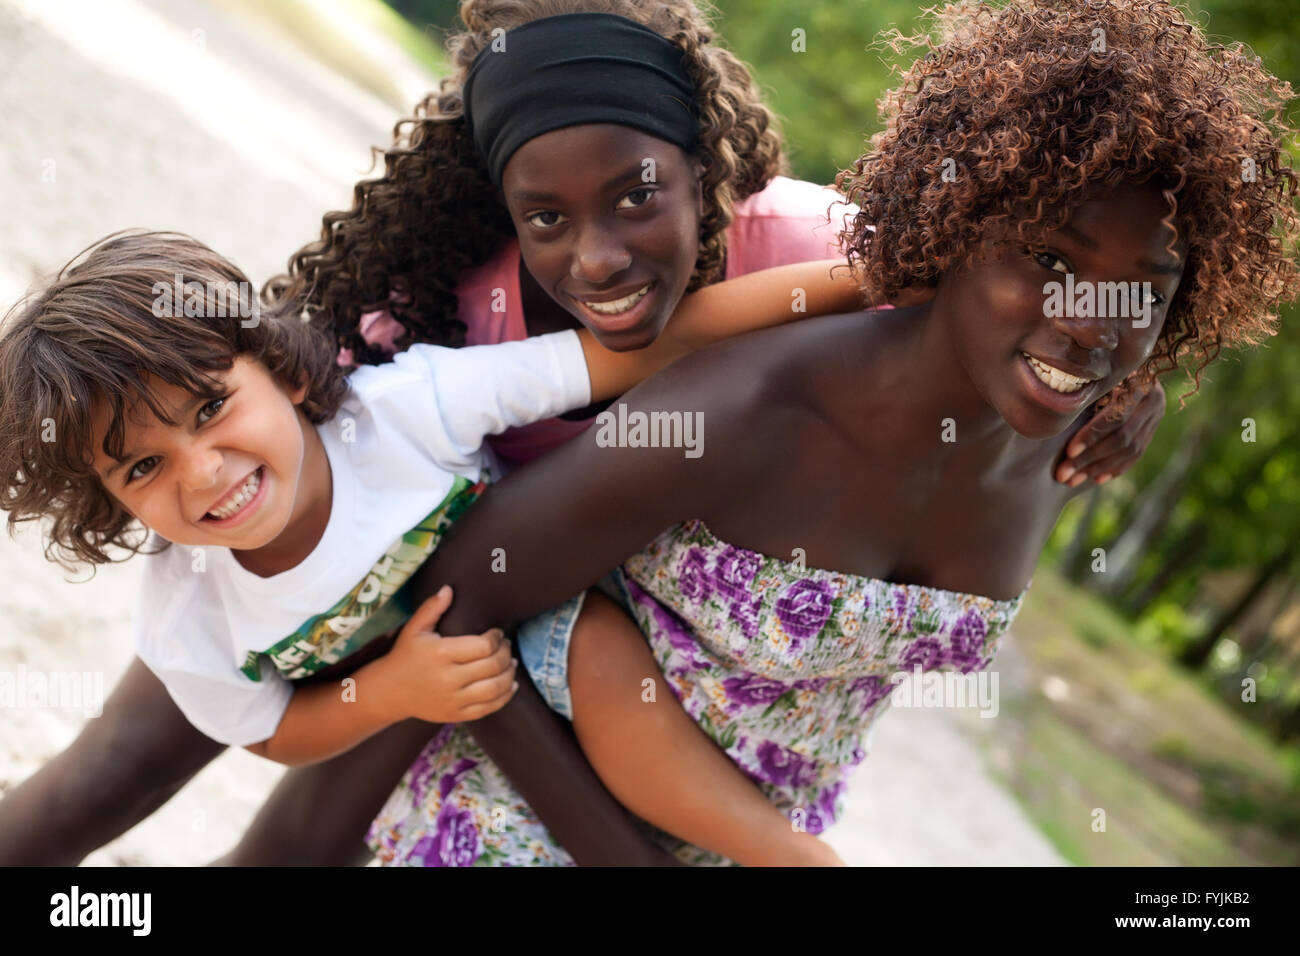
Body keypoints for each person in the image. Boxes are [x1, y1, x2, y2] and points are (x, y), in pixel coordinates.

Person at [0, 0, 1164, 866]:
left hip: (486, 581)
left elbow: (1005, 283)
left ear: (702, 170)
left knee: (343, 795)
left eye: (638, 197)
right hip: (318, 530)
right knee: (112, 771)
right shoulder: (442, 312)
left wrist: (1128, 382)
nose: (597, 257)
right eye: (547, 216)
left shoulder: (812, 247)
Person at [349, 0, 1297, 864]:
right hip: (513, 832)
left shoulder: (1072, 434)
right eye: (1049, 257)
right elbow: (455, 604)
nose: (1094, 320)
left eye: (1145, 287)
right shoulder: (752, 403)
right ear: (957, 222)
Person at [0, 231, 876, 865]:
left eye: (210, 409)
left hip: (544, 638)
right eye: (145, 465)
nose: (202, 472)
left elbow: (624, 357)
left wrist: (853, 280)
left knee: (592, 647)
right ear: (108, 502)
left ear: (282, 368)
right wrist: (386, 690)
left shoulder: (409, 411)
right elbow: (270, 731)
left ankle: (781, 856)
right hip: (411, 714)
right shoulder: (187, 612)